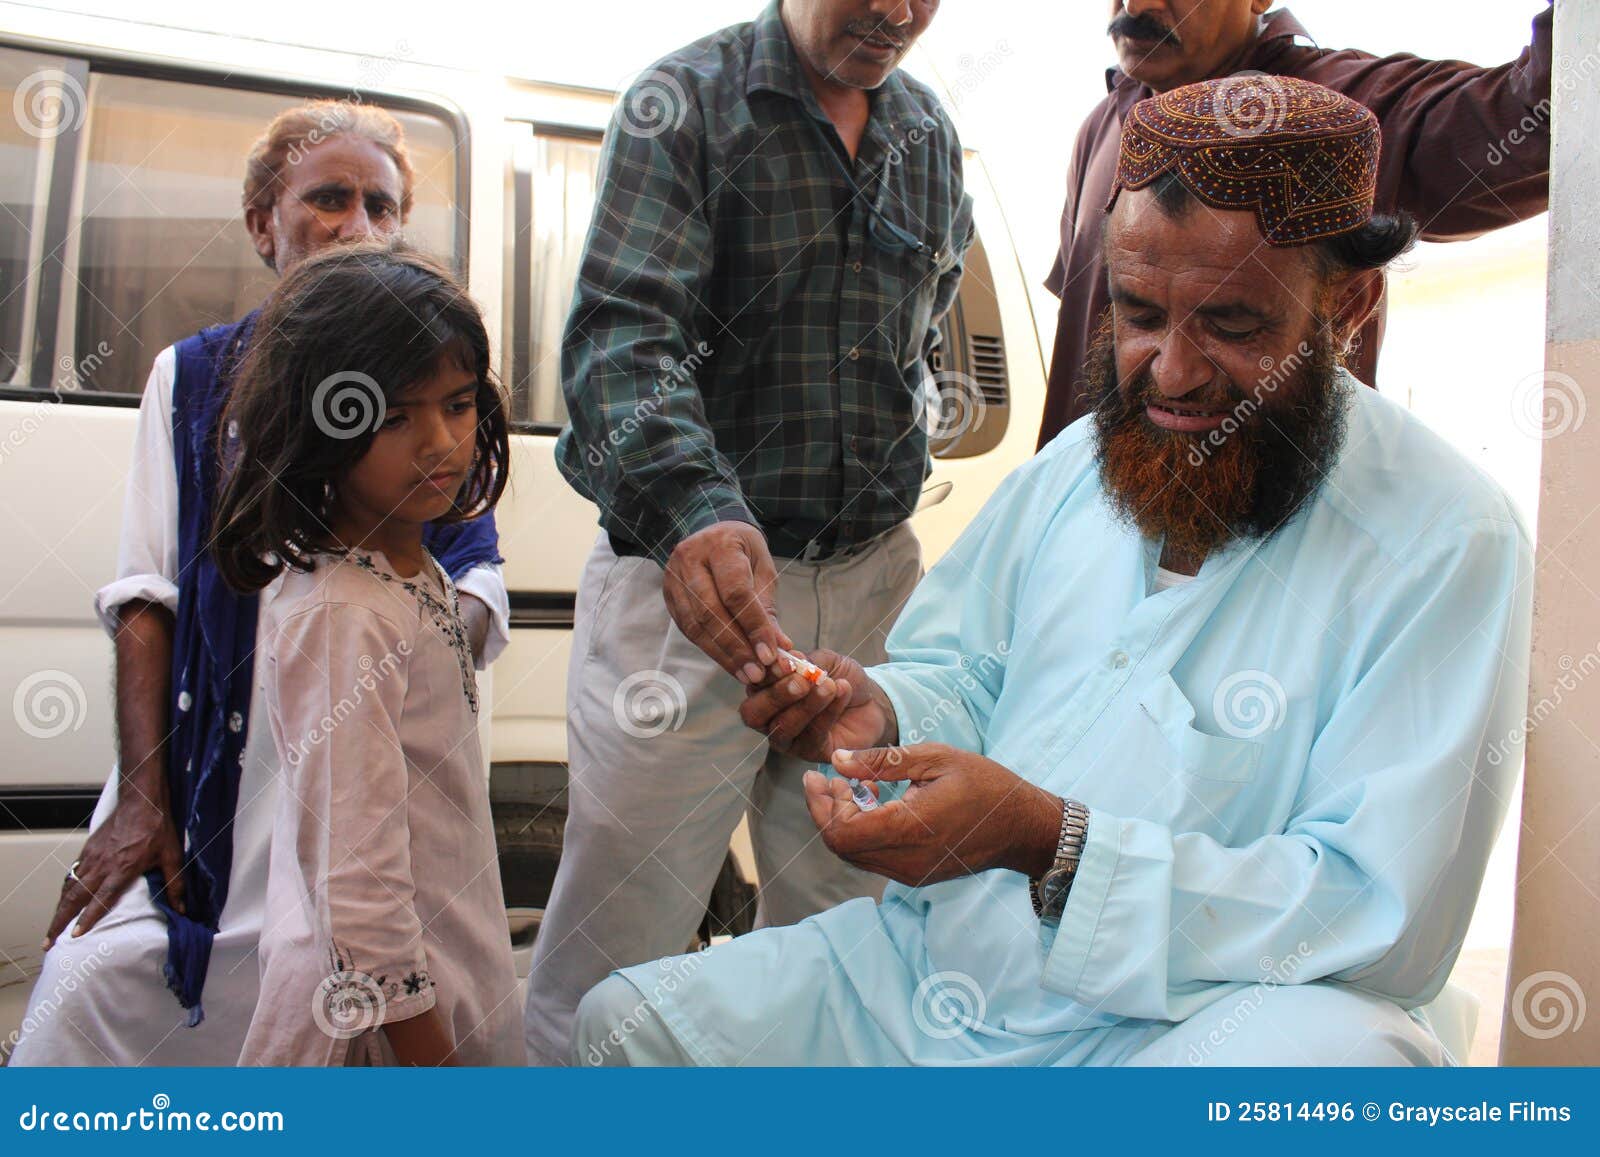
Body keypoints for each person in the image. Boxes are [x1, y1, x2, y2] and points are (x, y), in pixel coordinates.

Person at [571, 77, 1534, 1067]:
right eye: (1139, 312)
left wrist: (1055, 845)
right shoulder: (1079, 464)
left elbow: (1371, 907)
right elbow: (973, 671)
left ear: (1347, 303)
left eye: (1231, 325)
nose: (1168, 369)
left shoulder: (1445, 537)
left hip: (1185, 1025)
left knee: (1340, 1070)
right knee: (624, 1025)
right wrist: (884, 717)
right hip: (938, 974)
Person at [9, 102, 510, 1066]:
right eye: (328, 197)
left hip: (363, 759)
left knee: (349, 960)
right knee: (93, 987)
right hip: (222, 767)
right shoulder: (195, 377)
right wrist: (144, 798)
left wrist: (402, 648)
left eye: (381, 203)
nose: (355, 221)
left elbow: (470, 579)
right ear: (262, 222)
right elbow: (148, 595)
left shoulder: (423, 413)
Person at [524, 0, 973, 1065]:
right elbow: (622, 338)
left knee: (847, 935)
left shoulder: (927, 130)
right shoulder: (683, 103)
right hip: (694, 595)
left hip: (870, 587)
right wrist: (696, 508)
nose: (896, 11)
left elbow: (924, 338)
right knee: (613, 944)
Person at [210, 242, 521, 1066]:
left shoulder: (407, 574)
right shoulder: (344, 613)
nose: (441, 442)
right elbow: (359, 886)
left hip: (442, 980)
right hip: (381, 1032)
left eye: (459, 404)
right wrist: (432, 1065)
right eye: (394, 416)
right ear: (318, 426)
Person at [1036, 0, 1555, 448]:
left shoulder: (1341, 111)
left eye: (1232, 323)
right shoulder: (1102, 126)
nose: (1138, 5)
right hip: (1098, 519)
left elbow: (1535, 116)